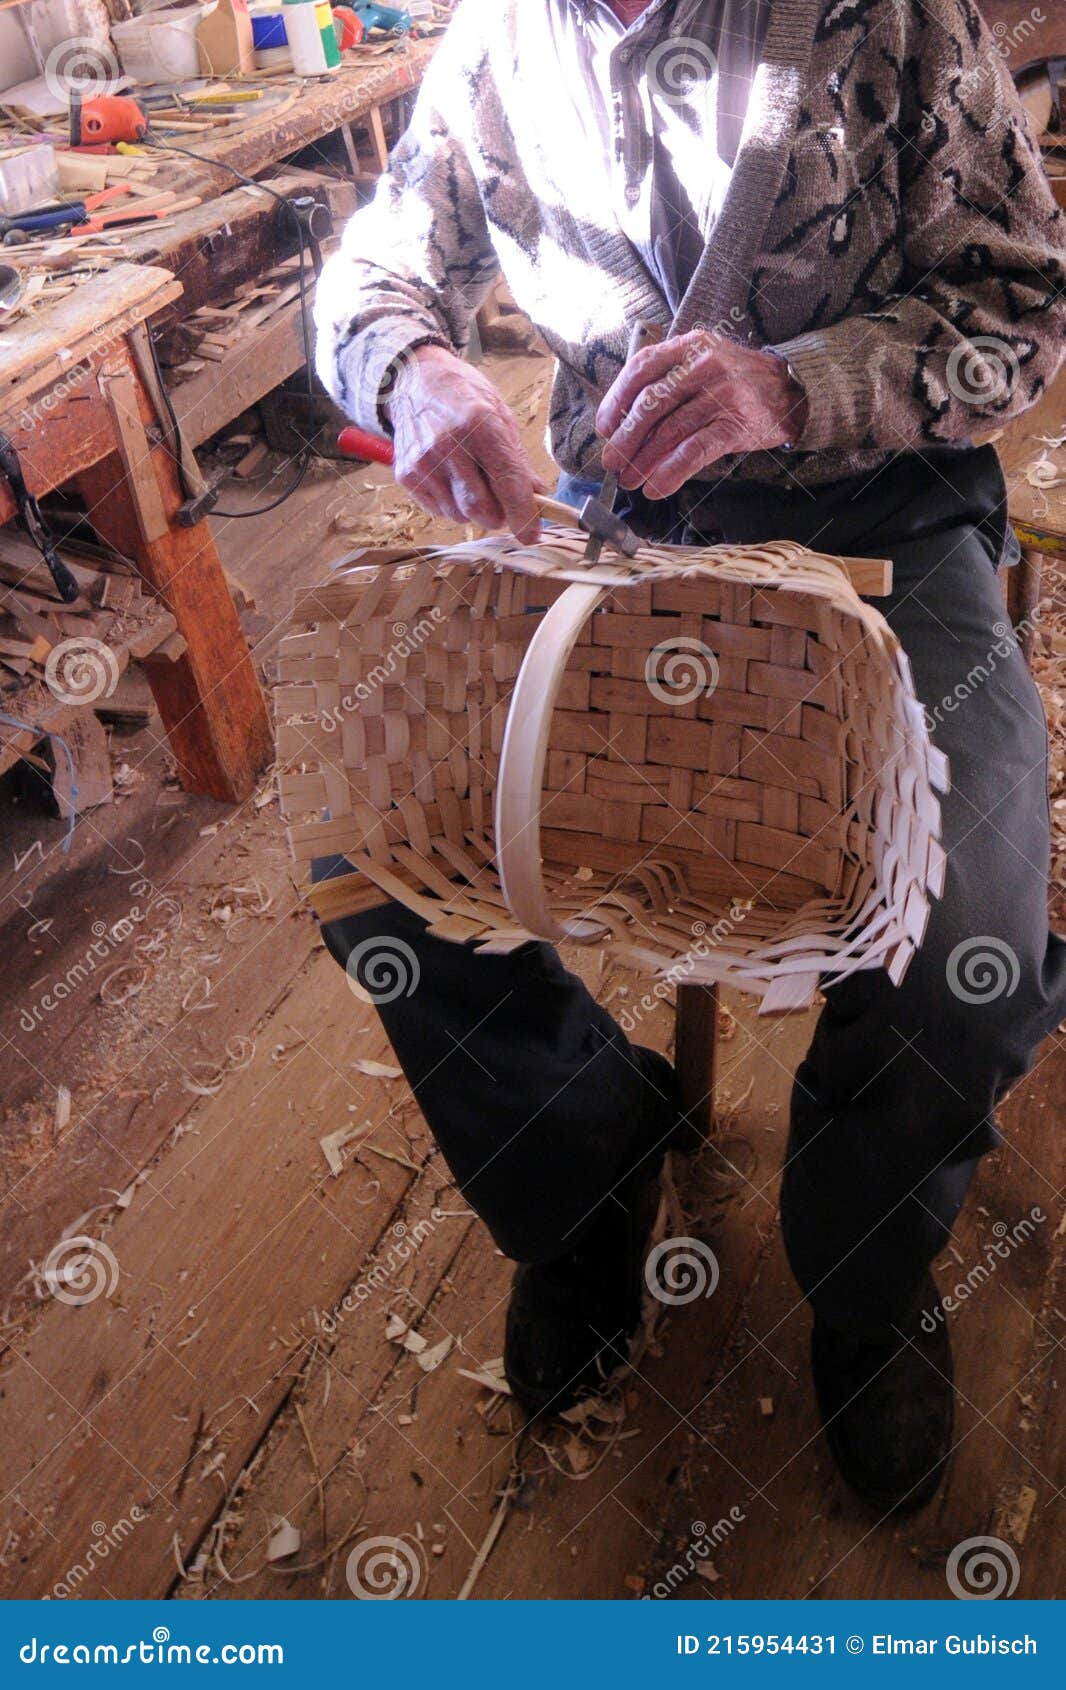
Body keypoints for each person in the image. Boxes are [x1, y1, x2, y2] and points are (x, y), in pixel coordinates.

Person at [313, 0, 1066, 1513]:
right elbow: (373, 267)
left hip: (881, 510)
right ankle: (586, 1168)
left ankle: (863, 1272)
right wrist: (415, 375)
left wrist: (792, 385)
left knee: (971, 928)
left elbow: (1022, 314)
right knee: (375, 862)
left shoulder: (895, 23)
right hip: (631, 528)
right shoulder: (500, 43)